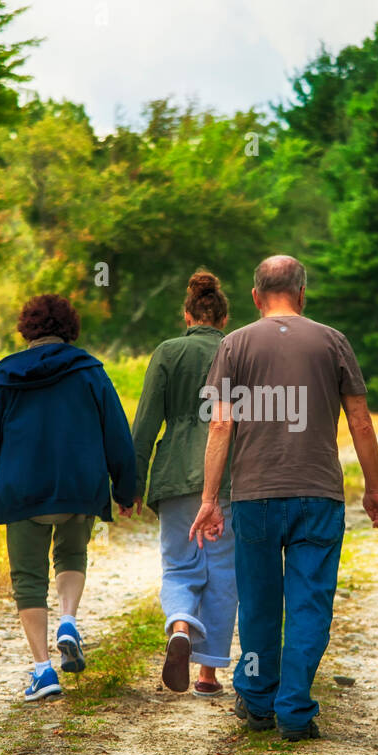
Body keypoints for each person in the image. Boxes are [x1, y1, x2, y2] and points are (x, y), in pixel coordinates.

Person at [189, 254, 378, 741]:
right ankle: (295, 712)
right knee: (310, 605)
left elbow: (221, 423)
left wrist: (210, 499)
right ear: (303, 294)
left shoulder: (234, 345)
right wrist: (373, 489)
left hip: (255, 497)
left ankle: (258, 702)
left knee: (259, 602)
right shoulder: (332, 341)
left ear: (256, 297)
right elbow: (360, 421)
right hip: (319, 495)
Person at [0, 294, 135, 702]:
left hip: (22, 492)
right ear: (69, 328)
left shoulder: (3, 375)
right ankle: (69, 620)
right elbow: (117, 434)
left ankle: (43, 669)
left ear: (27, 328)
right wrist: (125, 489)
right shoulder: (91, 371)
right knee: (72, 556)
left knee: (28, 579)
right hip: (79, 489)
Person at [129, 270, 237, 696]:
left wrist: (131, 482)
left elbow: (145, 422)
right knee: (223, 571)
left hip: (174, 473)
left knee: (179, 565)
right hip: (228, 474)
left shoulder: (168, 352)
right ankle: (208, 675)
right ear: (224, 319)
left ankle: (179, 626)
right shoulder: (238, 349)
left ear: (186, 314)